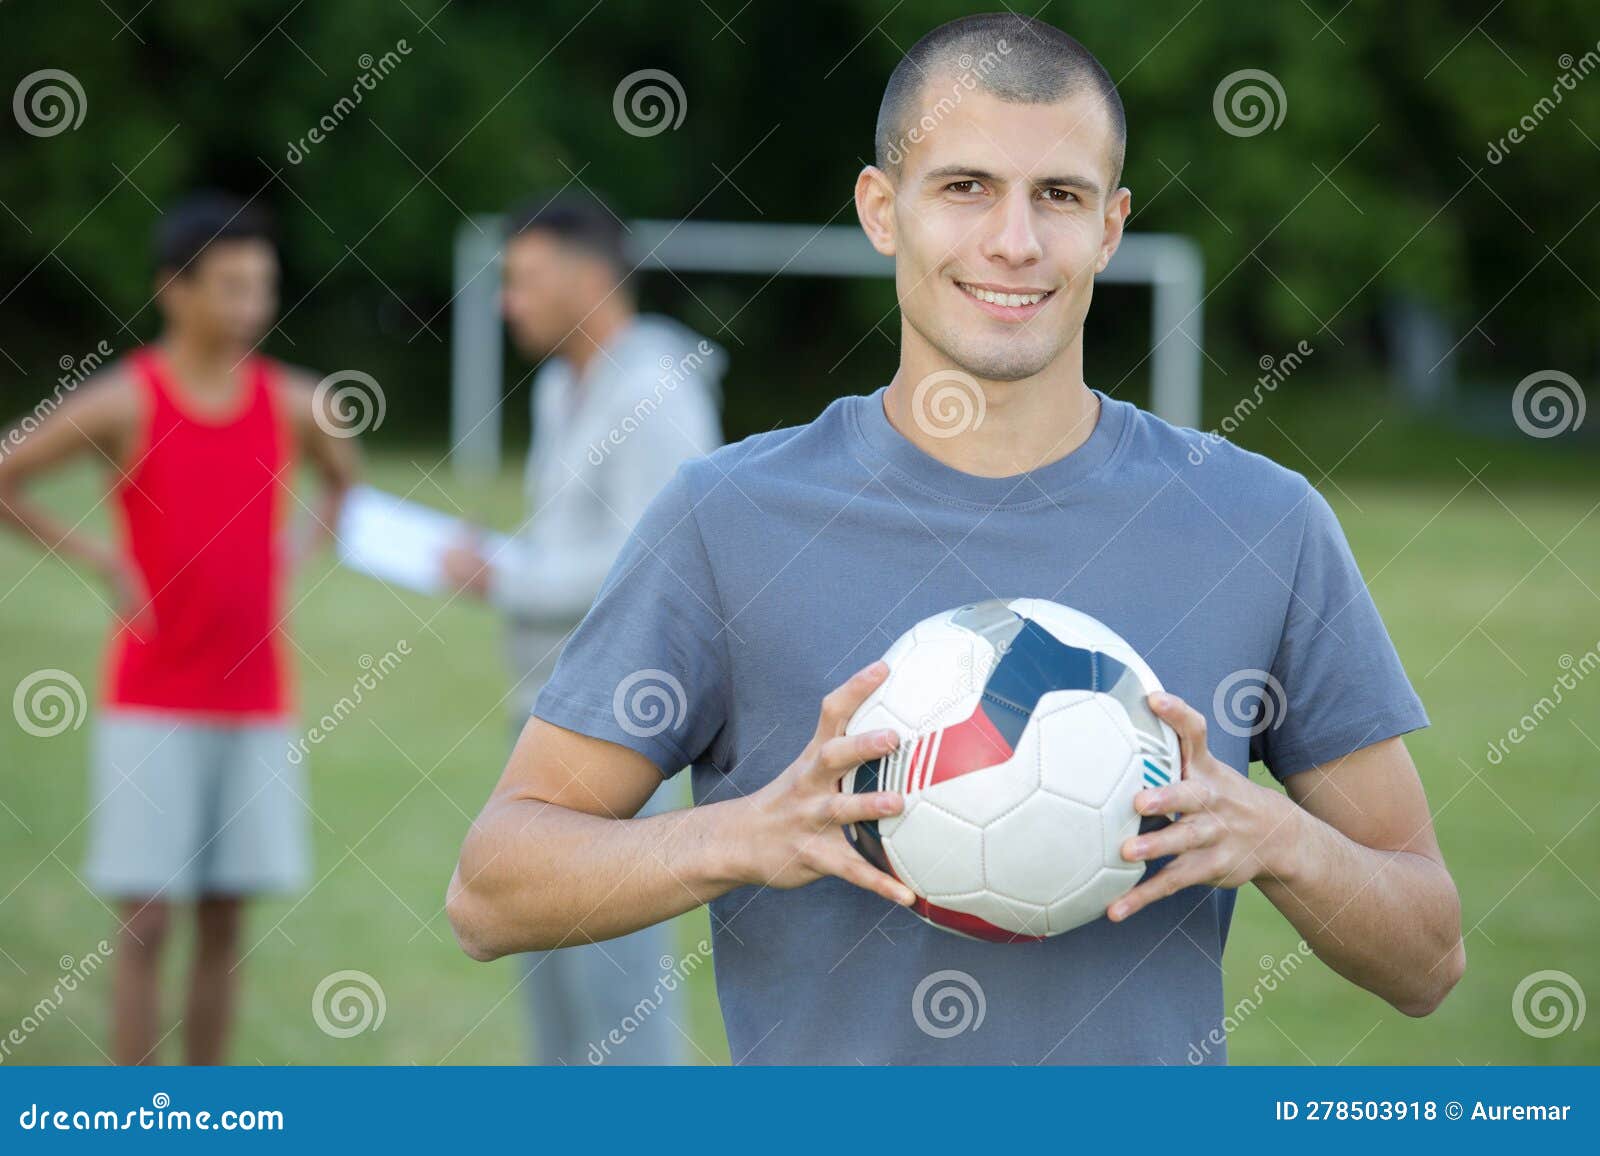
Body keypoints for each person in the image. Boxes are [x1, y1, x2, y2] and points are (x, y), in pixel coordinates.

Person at [446, 14, 1464, 1064]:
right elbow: (491, 889)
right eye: (965, 186)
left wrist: (1280, 839)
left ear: (1110, 228)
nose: (1013, 242)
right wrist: (737, 833)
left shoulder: (1261, 524)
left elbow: (1427, 955)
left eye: (1058, 196)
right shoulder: (728, 518)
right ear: (882, 209)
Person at [0, 191, 358, 1064]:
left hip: (255, 699)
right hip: (153, 697)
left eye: (261, 288)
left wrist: (297, 551)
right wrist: (100, 559)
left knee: (226, 916)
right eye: (230, 288)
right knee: (149, 921)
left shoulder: (294, 403)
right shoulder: (125, 401)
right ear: (176, 290)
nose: (250, 308)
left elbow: (344, 485)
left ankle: (206, 1111)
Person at [441, 193, 723, 1064]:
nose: (505, 302)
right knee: (553, 1005)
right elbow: (581, 538)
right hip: (544, 718)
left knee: (621, 1013)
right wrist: (510, 561)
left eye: (522, 279)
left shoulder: (658, 391)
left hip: (622, 731)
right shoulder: (564, 384)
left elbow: (665, 560)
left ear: (588, 276)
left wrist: (510, 577)